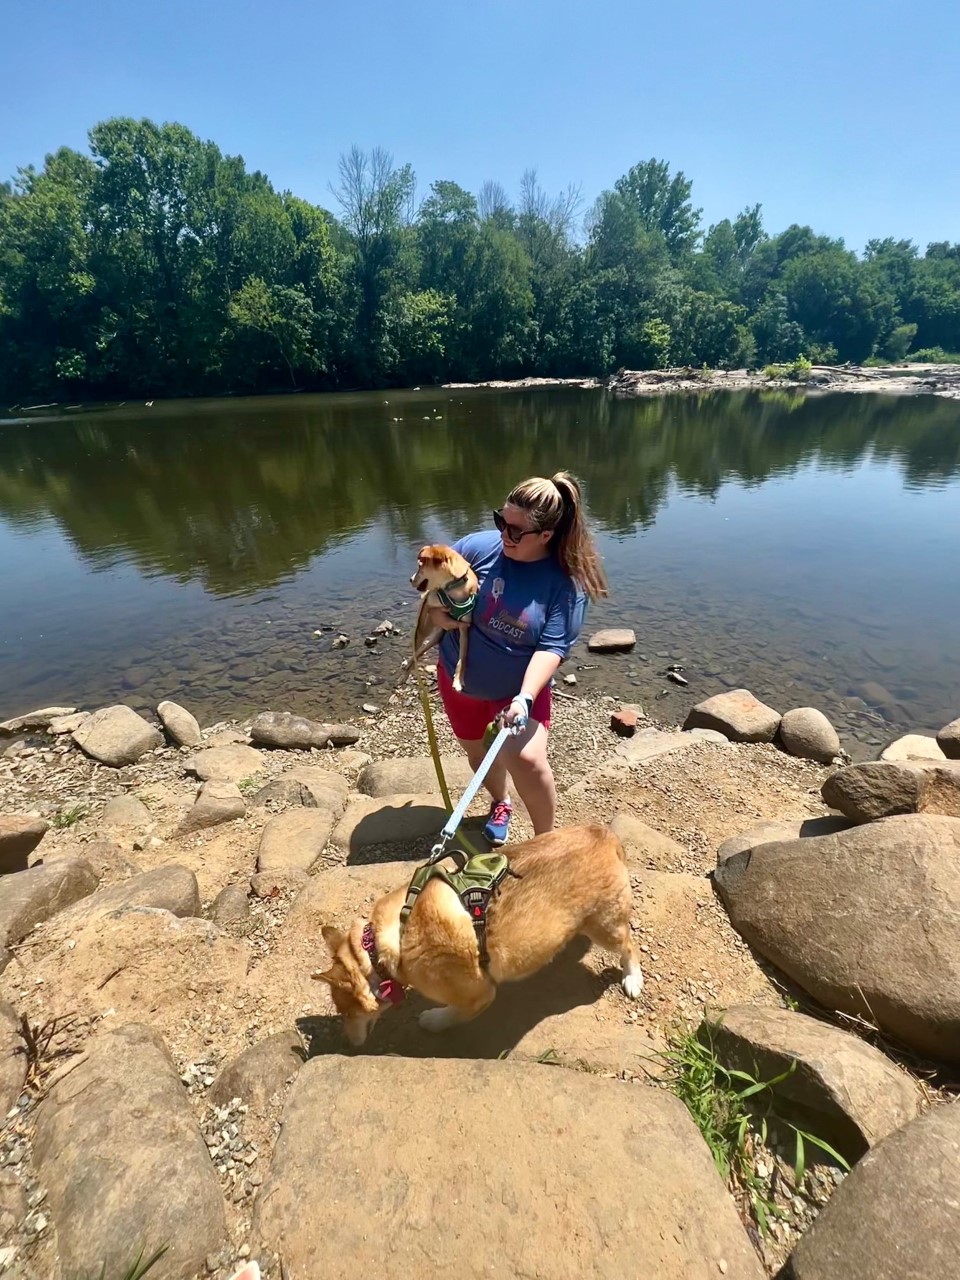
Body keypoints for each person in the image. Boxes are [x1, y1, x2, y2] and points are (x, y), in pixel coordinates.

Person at [431, 471, 608, 846]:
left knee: (526, 759)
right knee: (477, 752)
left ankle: (546, 843)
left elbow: (552, 648)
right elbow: (434, 581)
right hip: (458, 678)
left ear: (546, 535)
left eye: (515, 531)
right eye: (501, 522)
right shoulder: (478, 549)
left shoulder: (564, 583)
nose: (503, 536)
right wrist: (436, 614)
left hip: (516, 689)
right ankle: (501, 802)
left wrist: (525, 696)